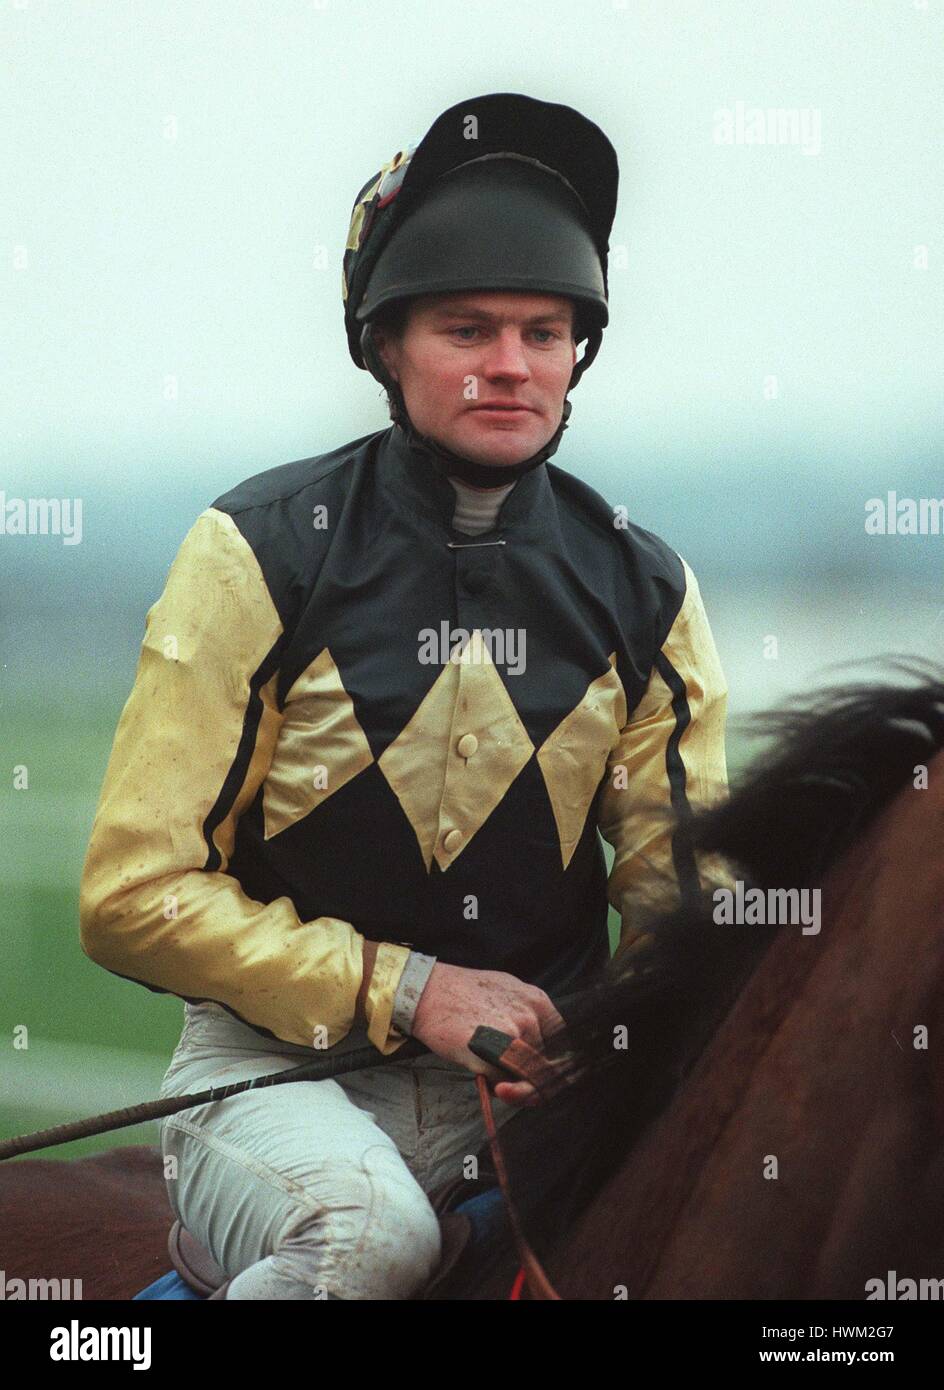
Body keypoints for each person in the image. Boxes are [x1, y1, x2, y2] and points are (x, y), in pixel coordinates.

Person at [79, 92, 730, 1300]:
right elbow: (130, 896)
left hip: (533, 1096)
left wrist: (624, 1040)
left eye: (543, 332)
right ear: (382, 344)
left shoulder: (645, 590)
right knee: (368, 1242)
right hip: (274, 1082)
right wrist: (409, 990)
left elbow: (683, 909)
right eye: (464, 329)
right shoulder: (255, 551)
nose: (507, 367)